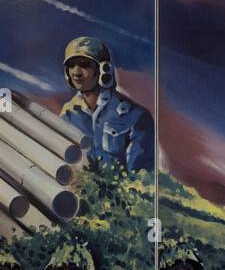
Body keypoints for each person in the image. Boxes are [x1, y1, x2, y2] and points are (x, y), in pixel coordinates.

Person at [59, 36, 154, 172]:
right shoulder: (68, 113)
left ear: (103, 69)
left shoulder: (136, 117)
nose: (76, 72)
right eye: (71, 65)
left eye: (84, 64)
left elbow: (141, 177)